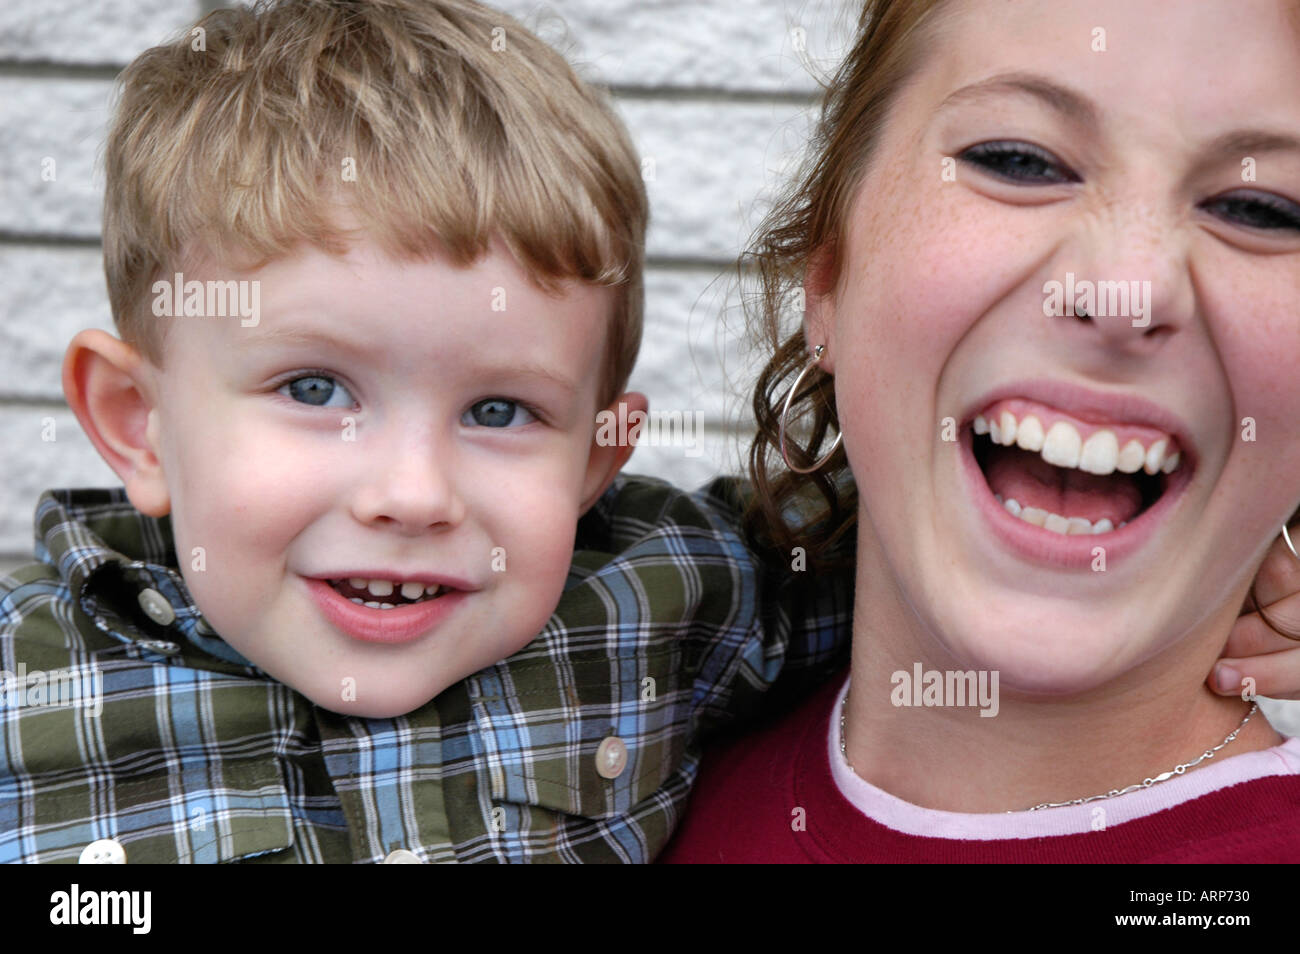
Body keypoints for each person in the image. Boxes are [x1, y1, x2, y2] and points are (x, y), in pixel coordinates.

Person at [0, 0, 850, 864]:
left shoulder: (665, 605)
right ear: (137, 423)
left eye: (498, 411)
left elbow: (895, 520)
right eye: (315, 388)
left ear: (594, 458)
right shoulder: (25, 689)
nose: (413, 495)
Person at [662, 0, 1300, 862]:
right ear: (829, 273)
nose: (1128, 291)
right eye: (1019, 161)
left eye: (1263, 211)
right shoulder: (618, 772)